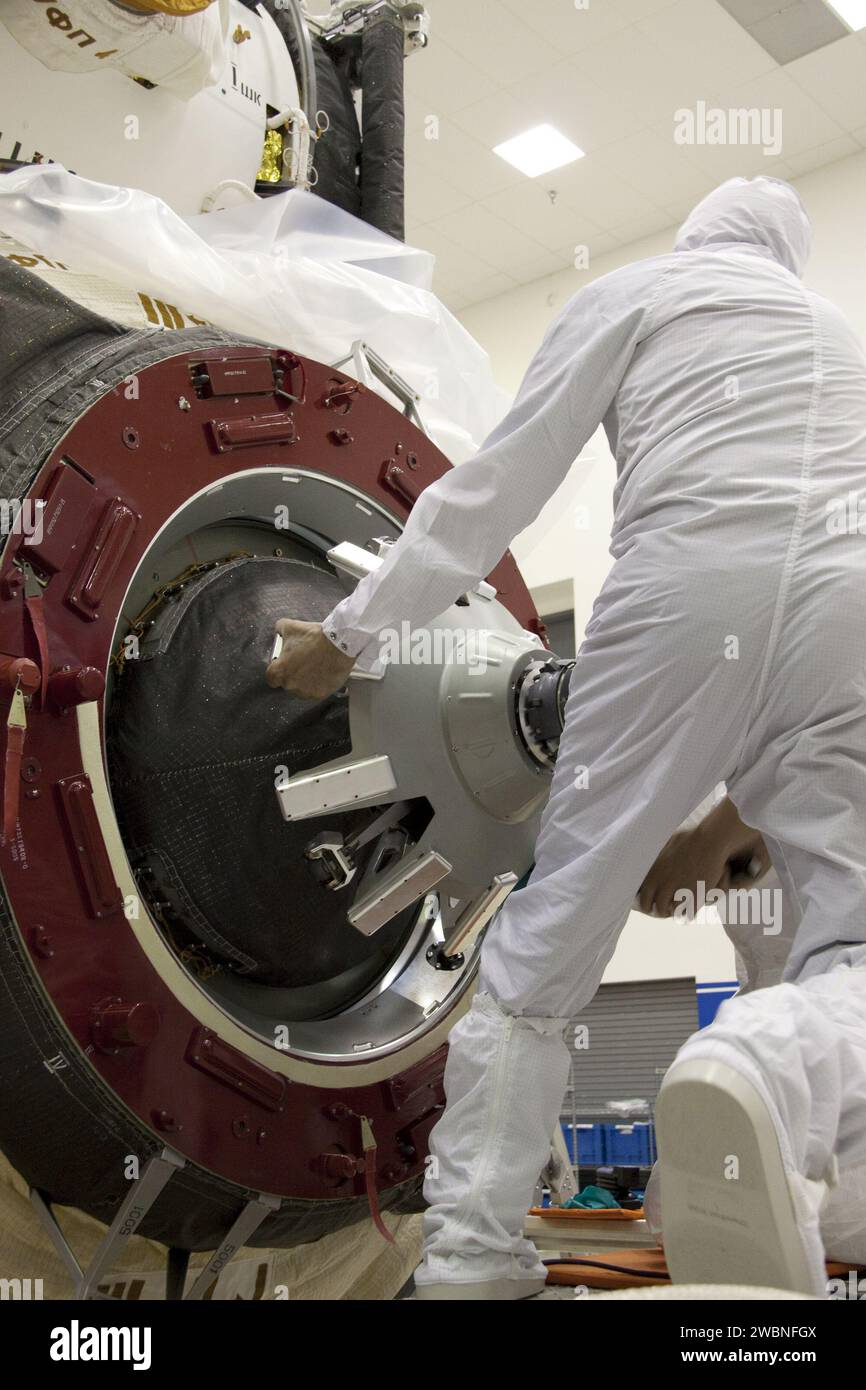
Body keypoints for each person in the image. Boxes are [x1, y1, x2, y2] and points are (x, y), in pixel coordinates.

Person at [266, 176, 866, 1299]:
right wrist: (711, 828)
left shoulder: (638, 290)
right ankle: (822, 1177)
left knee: (543, 951)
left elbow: (495, 490)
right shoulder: (832, 335)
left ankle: (474, 1259)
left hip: (684, 589)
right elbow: (801, 584)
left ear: (696, 235)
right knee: (846, 936)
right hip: (852, 609)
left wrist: (352, 635)